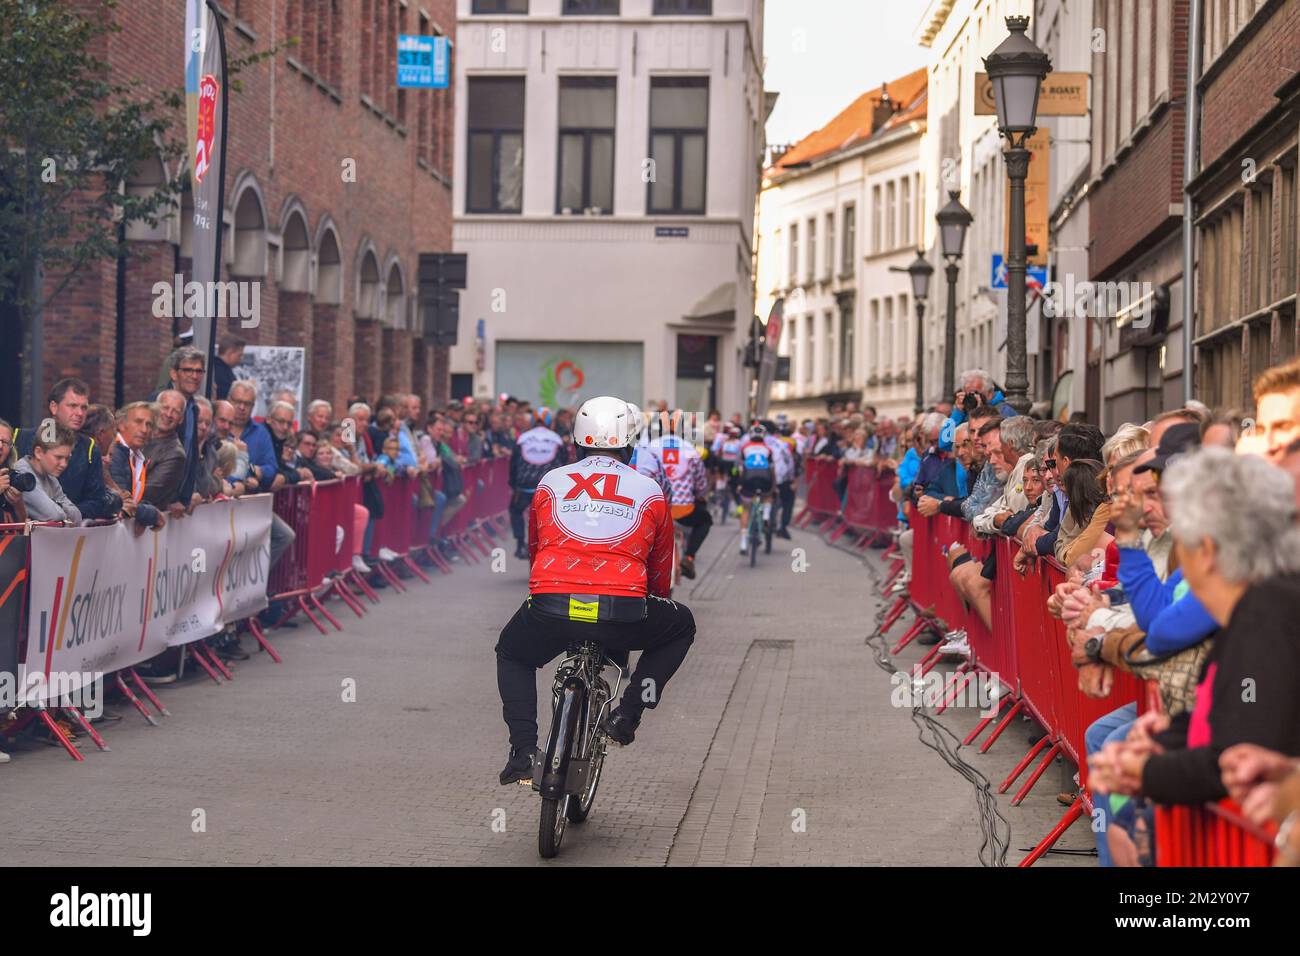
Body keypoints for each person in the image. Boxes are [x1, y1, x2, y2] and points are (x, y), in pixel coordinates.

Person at [494, 396, 695, 785]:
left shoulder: (551, 481)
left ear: (576, 443)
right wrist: (653, 598)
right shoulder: (650, 490)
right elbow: (659, 567)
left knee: (512, 654)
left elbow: (537, 548)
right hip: (622, 610)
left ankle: (522, 753)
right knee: (681, 625)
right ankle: (628, 715)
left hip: (551, 604)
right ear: (629, 445)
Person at [14, 378, 118, 521]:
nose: (80, 413)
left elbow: (96, 501)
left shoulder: (89, 447)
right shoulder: (19, 438)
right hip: (22, 535)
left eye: (84, 407)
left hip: (69, 535)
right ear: (54, 407)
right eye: (73, 406)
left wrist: (66, 518)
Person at [635, 412, 711, 579]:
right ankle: (689, 557)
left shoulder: (648, 448)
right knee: (705, 520)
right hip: (683, 509)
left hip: (656, 508)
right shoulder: (691, 449)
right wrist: (701, 495)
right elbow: (701, 481)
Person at [508, 411, 566, 560]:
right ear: (549, 423)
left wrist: (513, 485)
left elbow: (513, 464)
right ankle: (556, 545)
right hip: (550, 486)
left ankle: (520, 543)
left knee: (515, 510)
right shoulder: (557, 439)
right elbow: (564, 463)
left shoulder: (522, 438)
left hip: (525, 486)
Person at [108, 402, 166, 530]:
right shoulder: (115, 453)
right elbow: (123, 504)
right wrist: (152, 514)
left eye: (149, 424)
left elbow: (134, 501)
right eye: (138, 422)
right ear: (121, 424)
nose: (144, 430)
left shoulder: (136, 456)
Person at [13, 427, 82, 524]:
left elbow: (77, 516)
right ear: (39, 452)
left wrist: (58, 506)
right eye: (59, 457)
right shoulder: (22, 474)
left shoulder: (50, 477)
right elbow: (53, 515)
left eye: (67, 458)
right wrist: (62, 510)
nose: (64, 464)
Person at [735, 423, 776, 555]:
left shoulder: (744, 448)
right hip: (764, 478)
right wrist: (773, 486)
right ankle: (765, 515)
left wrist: (740, 484)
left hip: (748, 478)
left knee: (746, 508)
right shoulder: (768, 449)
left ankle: (743, 542)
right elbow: (772, 469)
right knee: (768, 497)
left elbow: (741, 468)